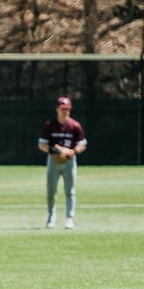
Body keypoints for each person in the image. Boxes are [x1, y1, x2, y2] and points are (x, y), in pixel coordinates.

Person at [38, 96, 87, 229]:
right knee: (51, 191)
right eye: (62, 109)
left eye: (67, 109)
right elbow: (41, 144)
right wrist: (53, 150)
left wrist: (73, 152)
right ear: (57, 109)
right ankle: (51, 217)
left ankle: (69, 218)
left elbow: (82, 144)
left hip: (69, 162)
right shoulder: (50, 125)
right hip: (53, 161)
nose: (65, 111)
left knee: (70, 191)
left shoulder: (75, 126)